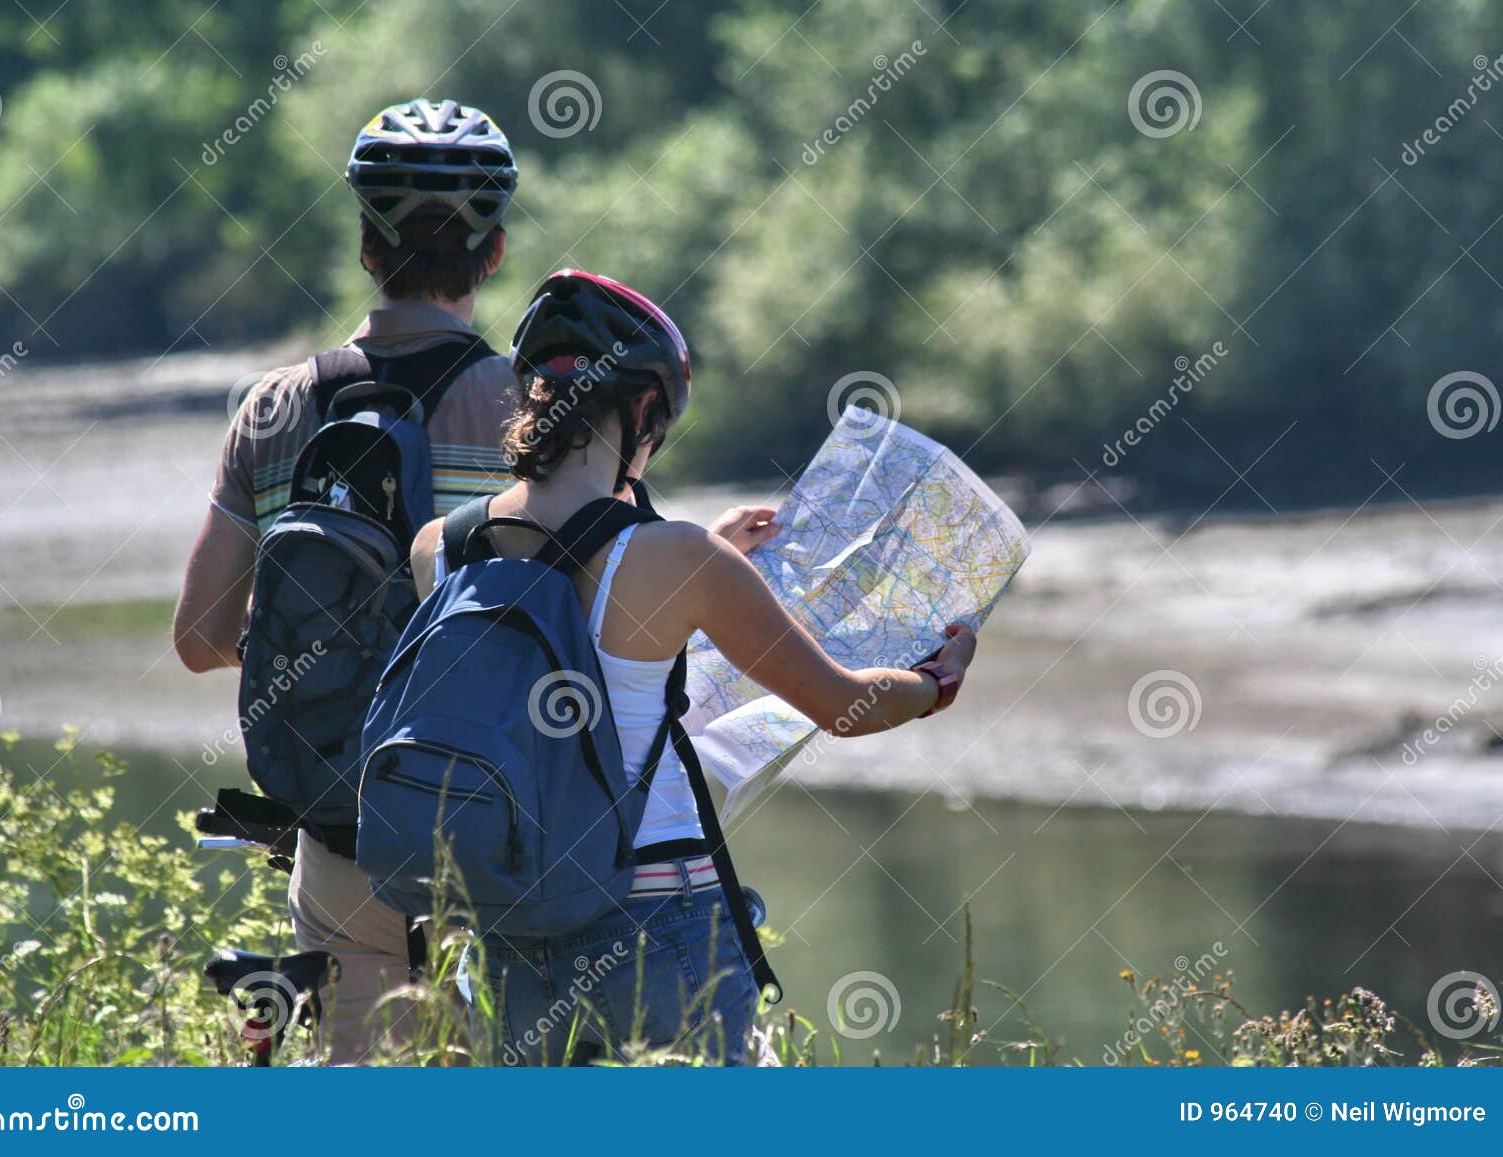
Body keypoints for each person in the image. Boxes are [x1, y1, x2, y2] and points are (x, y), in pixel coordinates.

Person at [408, 270, 978, 1065]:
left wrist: (699, 552)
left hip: (513, 928)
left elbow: (554, 636)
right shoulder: (679, 560)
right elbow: (845, 705)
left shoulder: (438, 548)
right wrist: (935, 682)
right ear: (644, 409)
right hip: (659, 922)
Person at [173, 99, 524, 1064]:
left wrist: (323, 644)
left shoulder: (277, 406)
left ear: (367, 243)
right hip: (508, 831)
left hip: (338, 829)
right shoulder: (537, 408)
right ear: (492, 255)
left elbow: (200, 637)